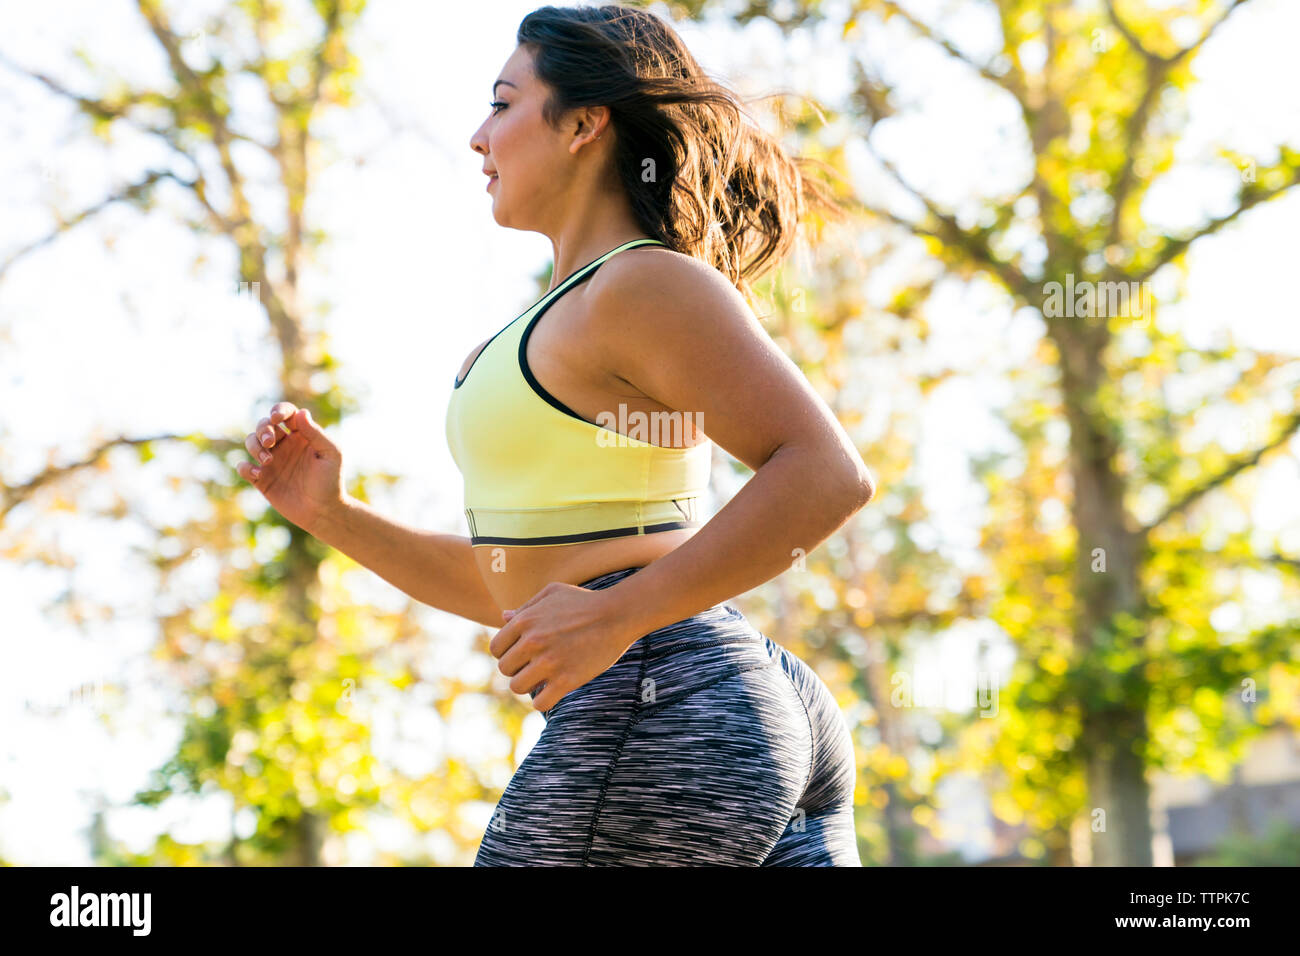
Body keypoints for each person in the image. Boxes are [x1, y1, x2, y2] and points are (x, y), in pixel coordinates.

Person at [236, 3, 876, 866]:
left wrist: (619, 616)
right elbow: (525, 590)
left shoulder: (638, 284)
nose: (478, 137)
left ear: (583, 123)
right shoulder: (563, 318)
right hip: (720, 706)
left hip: (662, 699)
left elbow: (827, 474)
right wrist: (334, 515)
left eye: (502, 103)